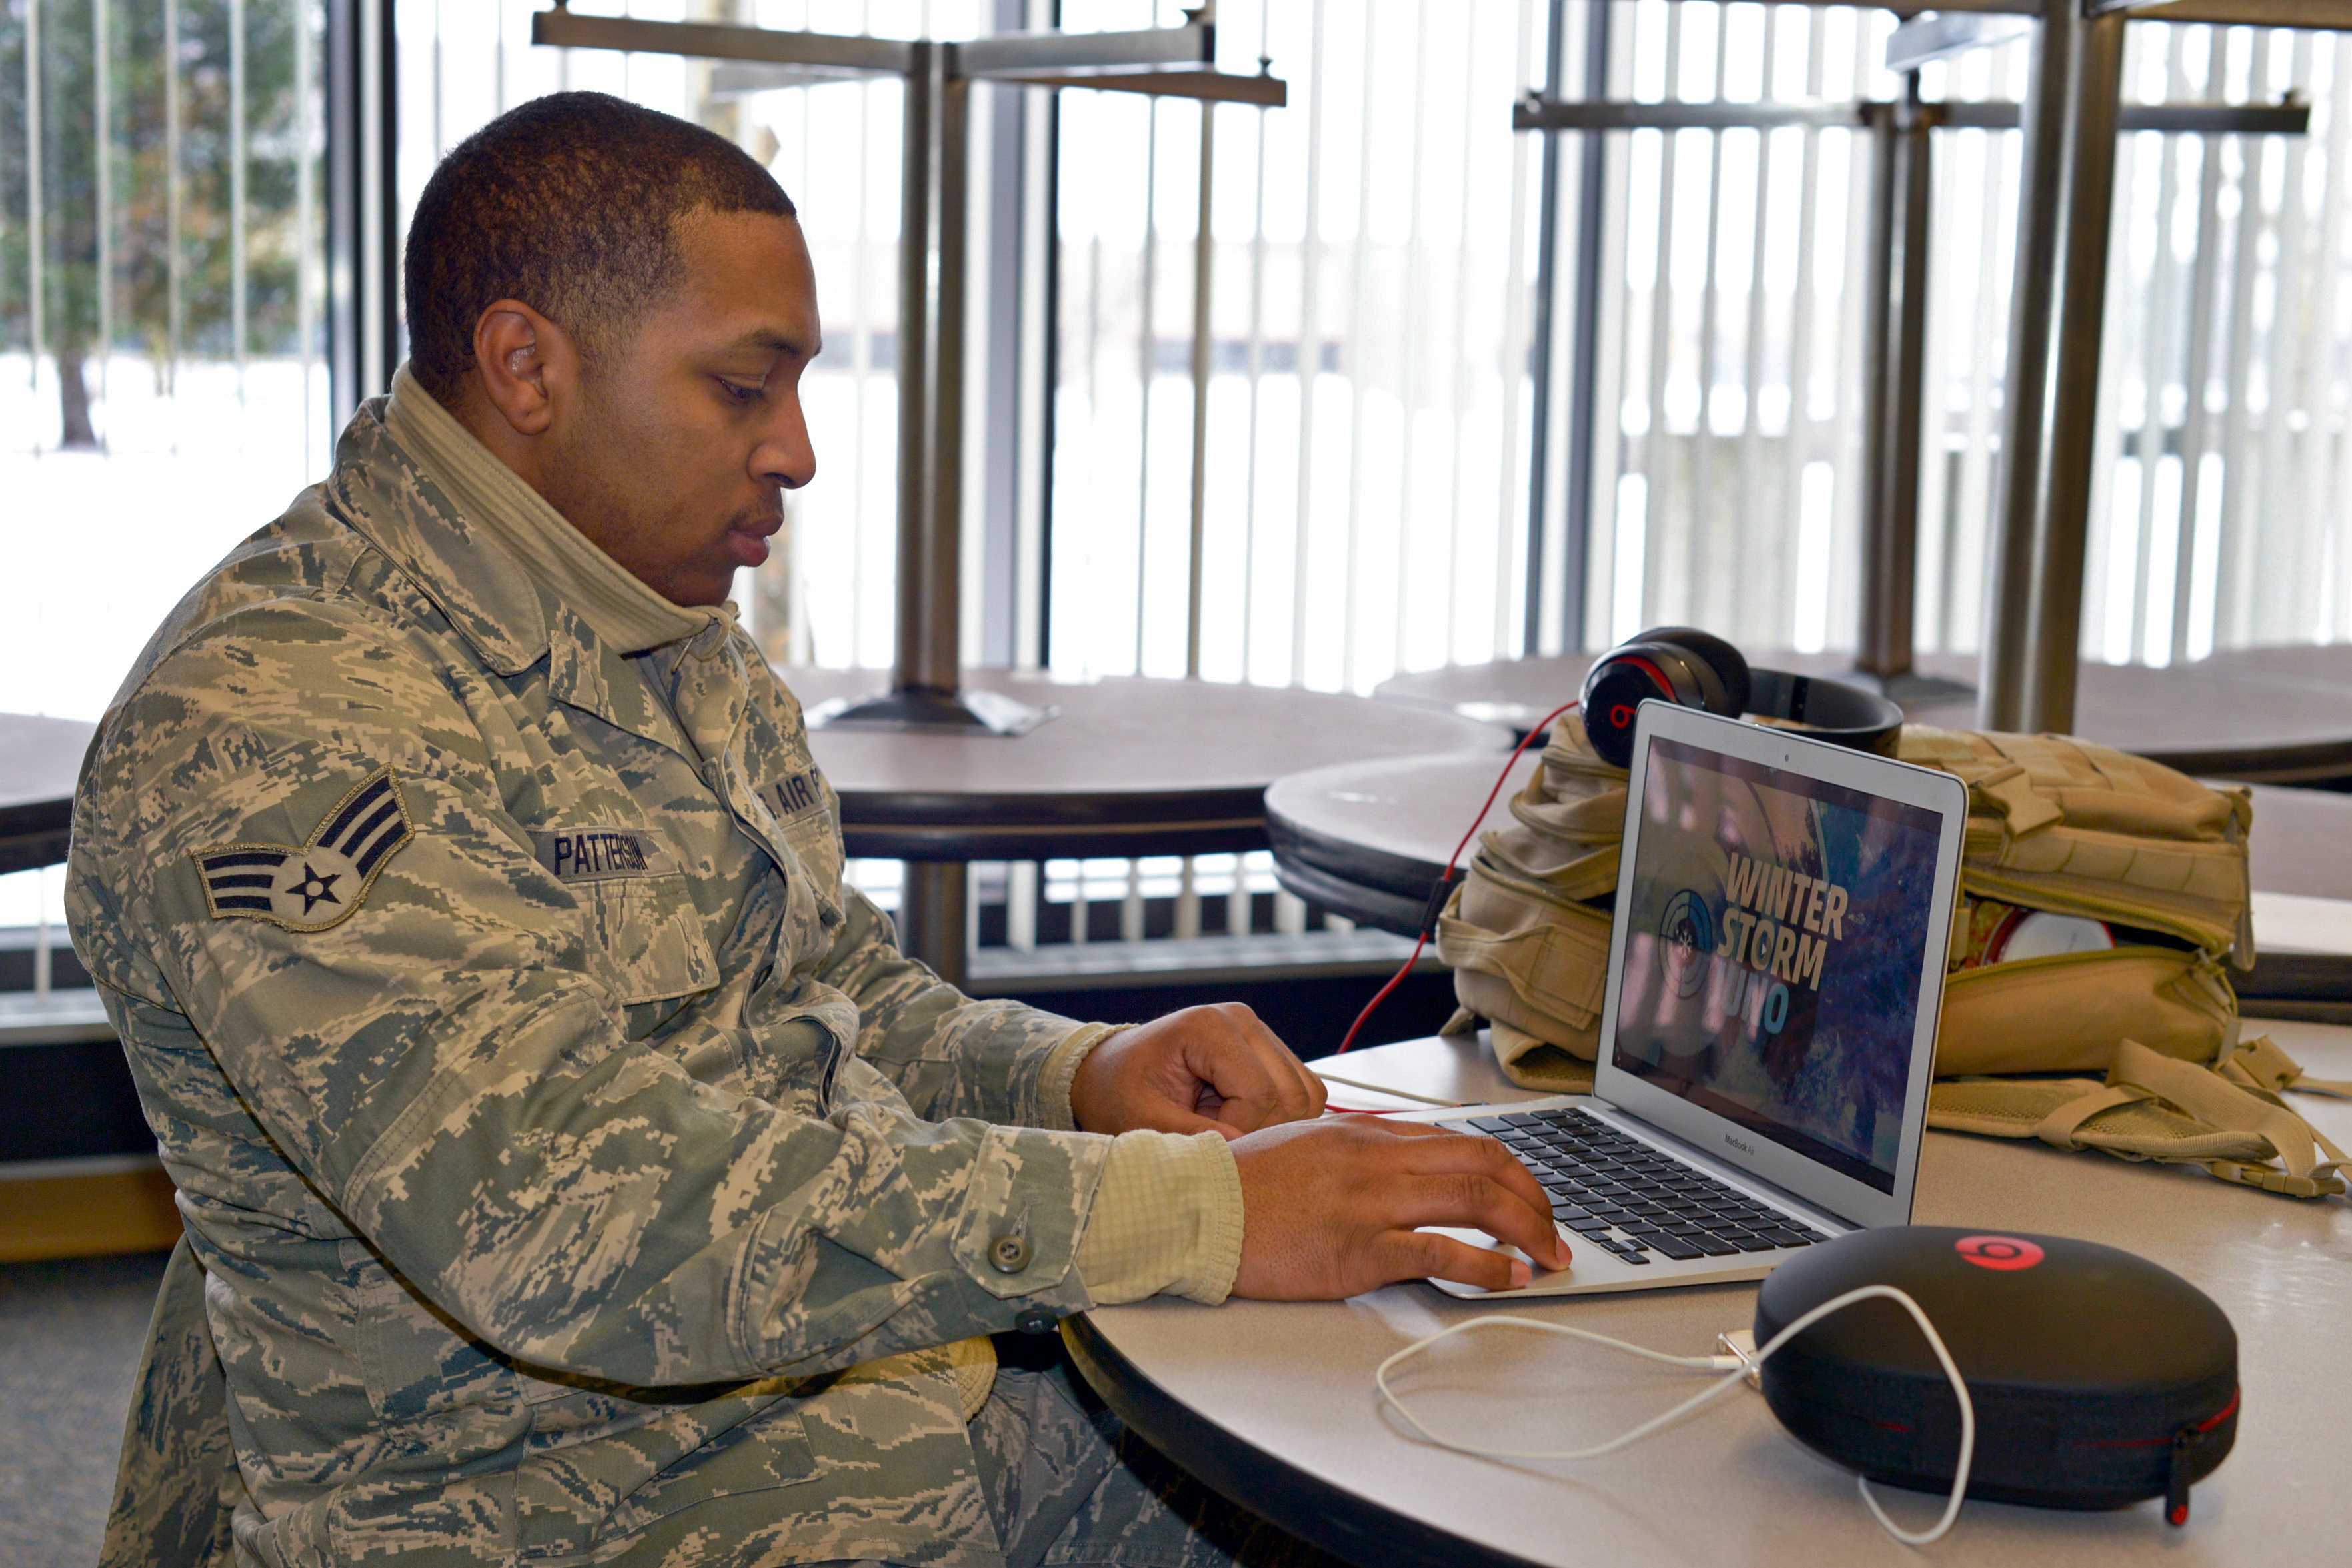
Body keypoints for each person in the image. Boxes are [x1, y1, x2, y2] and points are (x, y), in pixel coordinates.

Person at [68, 91, 1567, 1568]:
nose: (795, 450)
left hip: (878, 1407)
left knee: (1461, 1472)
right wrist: (1184, 1214)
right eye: (743, 386)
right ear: (526, 365)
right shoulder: (280, 721)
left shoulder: (654, 624)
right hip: (559, 1509)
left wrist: (1073, 1075)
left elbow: (813, 1001)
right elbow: (562, 1210)